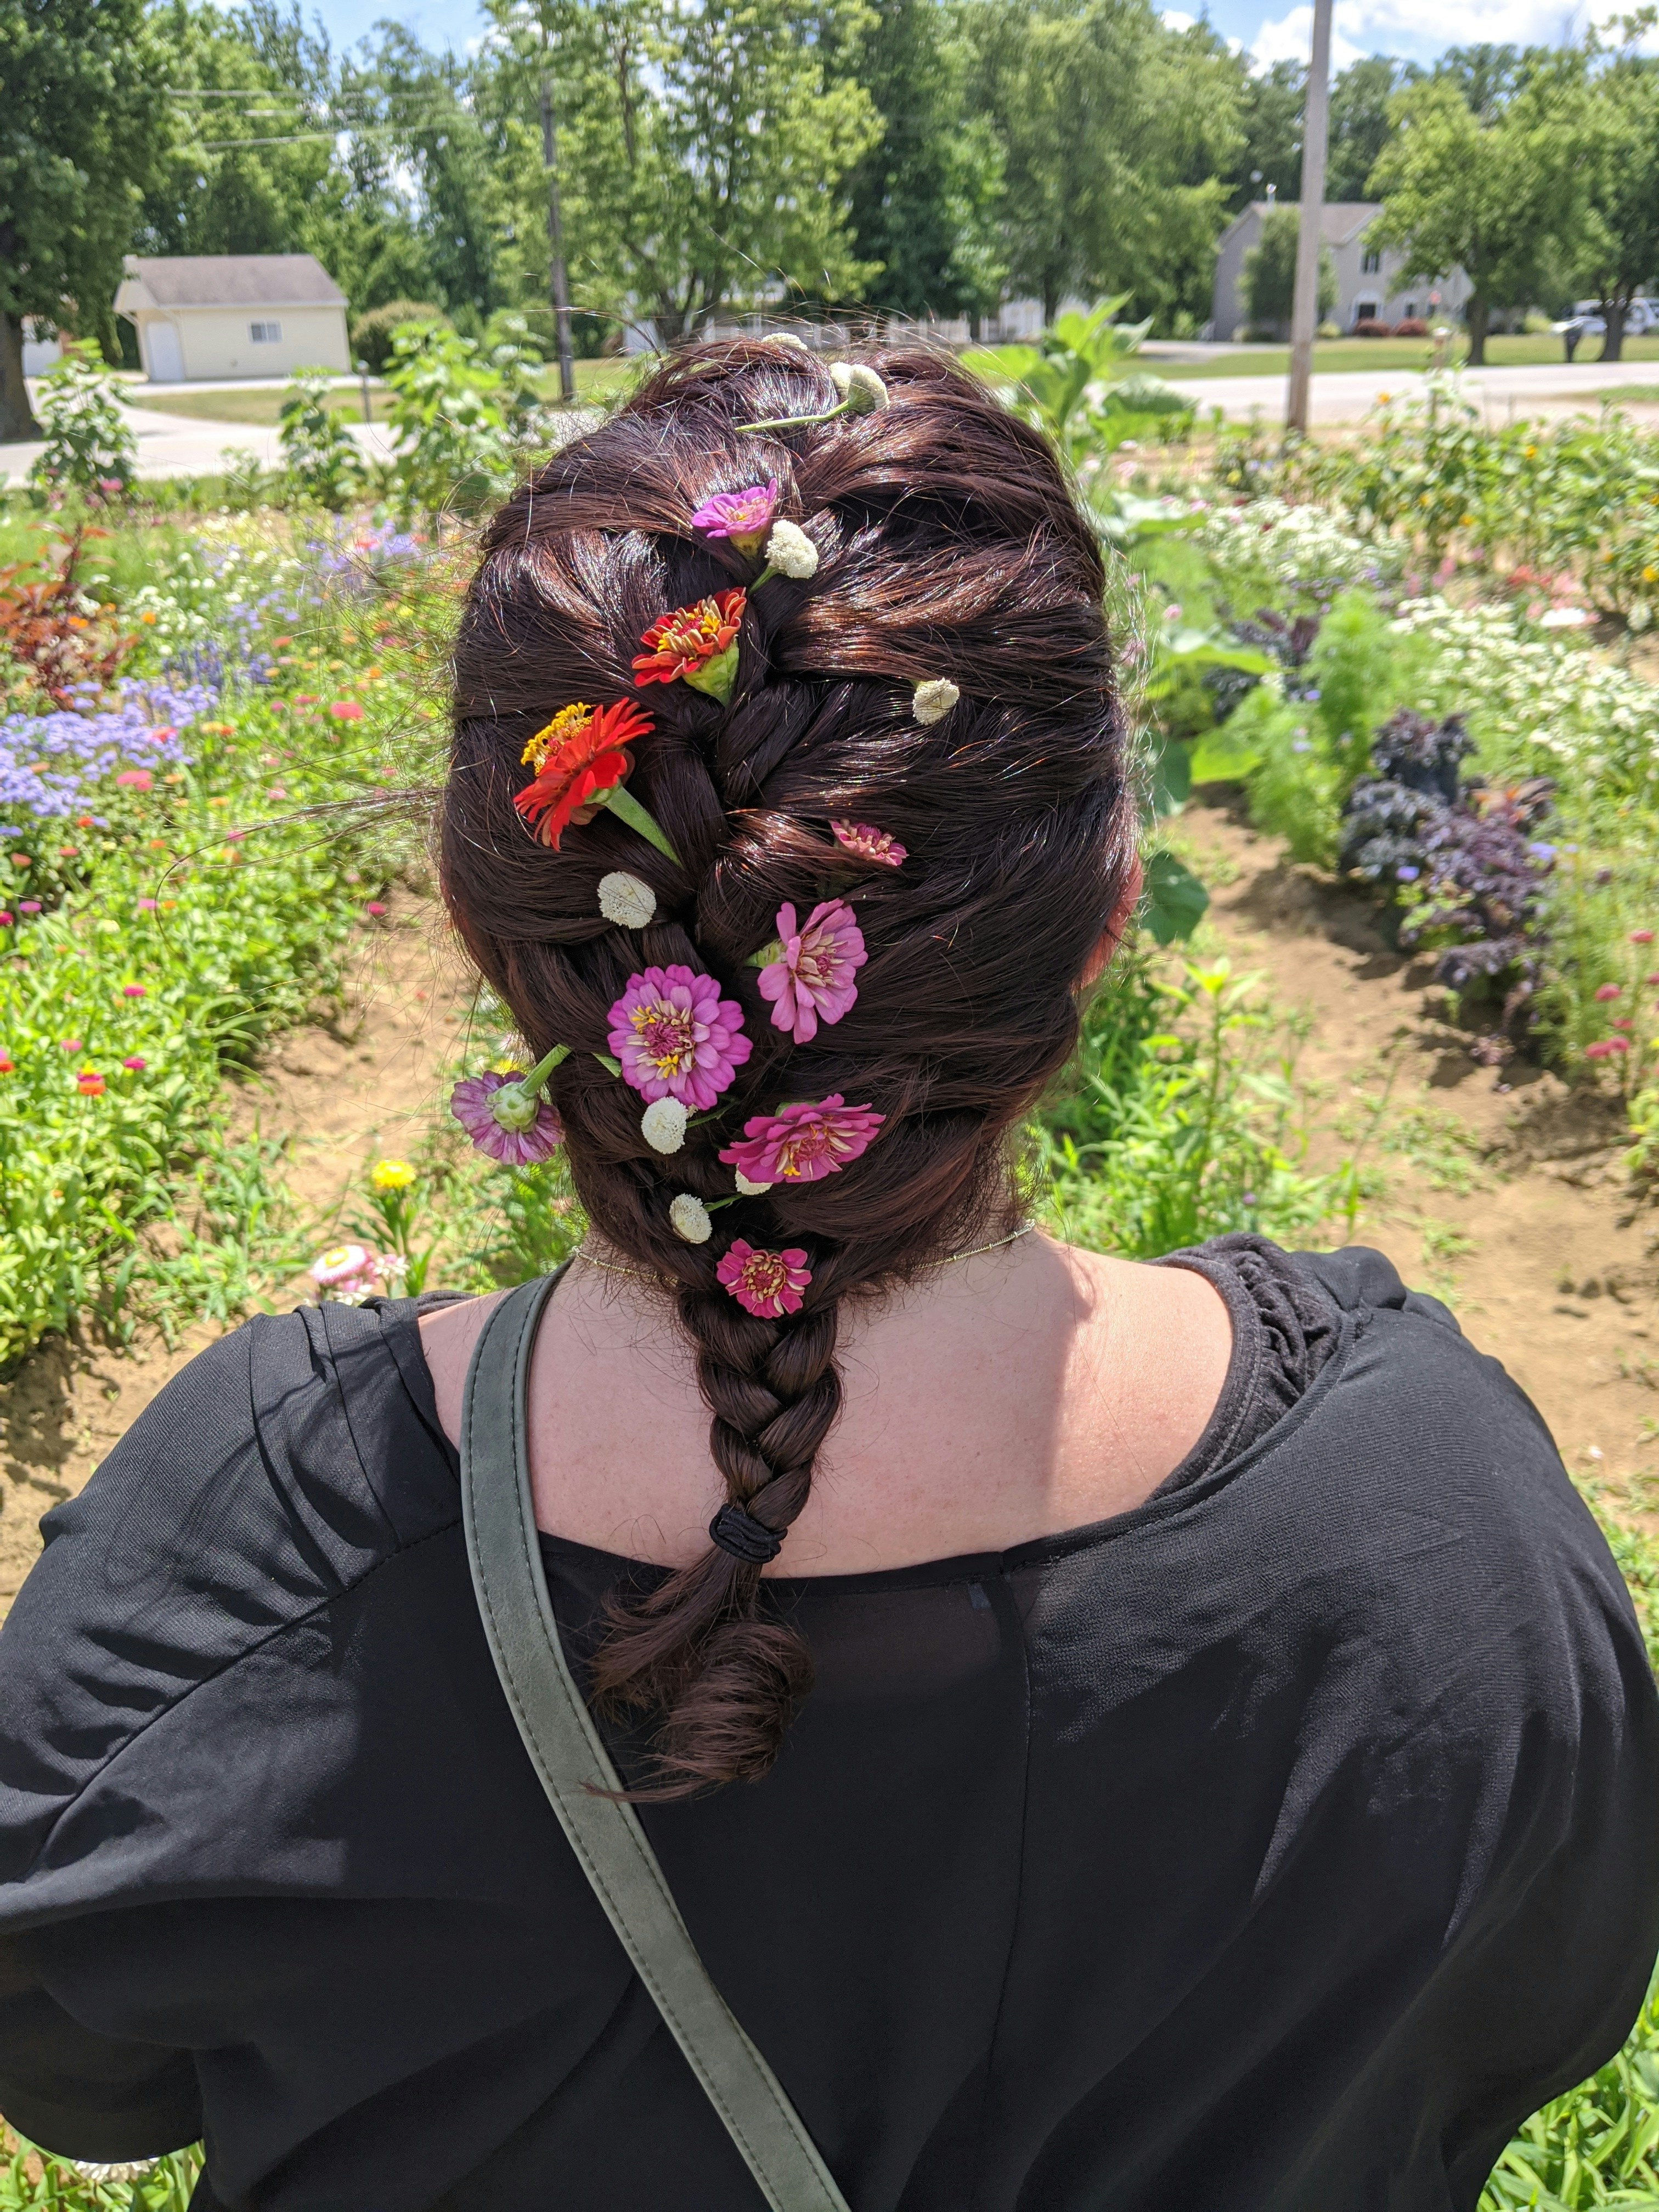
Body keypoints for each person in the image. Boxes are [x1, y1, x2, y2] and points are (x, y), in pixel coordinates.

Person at [1, 343, 1655, 2212]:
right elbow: (1539, 2019)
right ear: (1109, 917)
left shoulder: (249, 1566)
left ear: (494, 937)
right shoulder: (1452, 1534)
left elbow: (82, 2075)